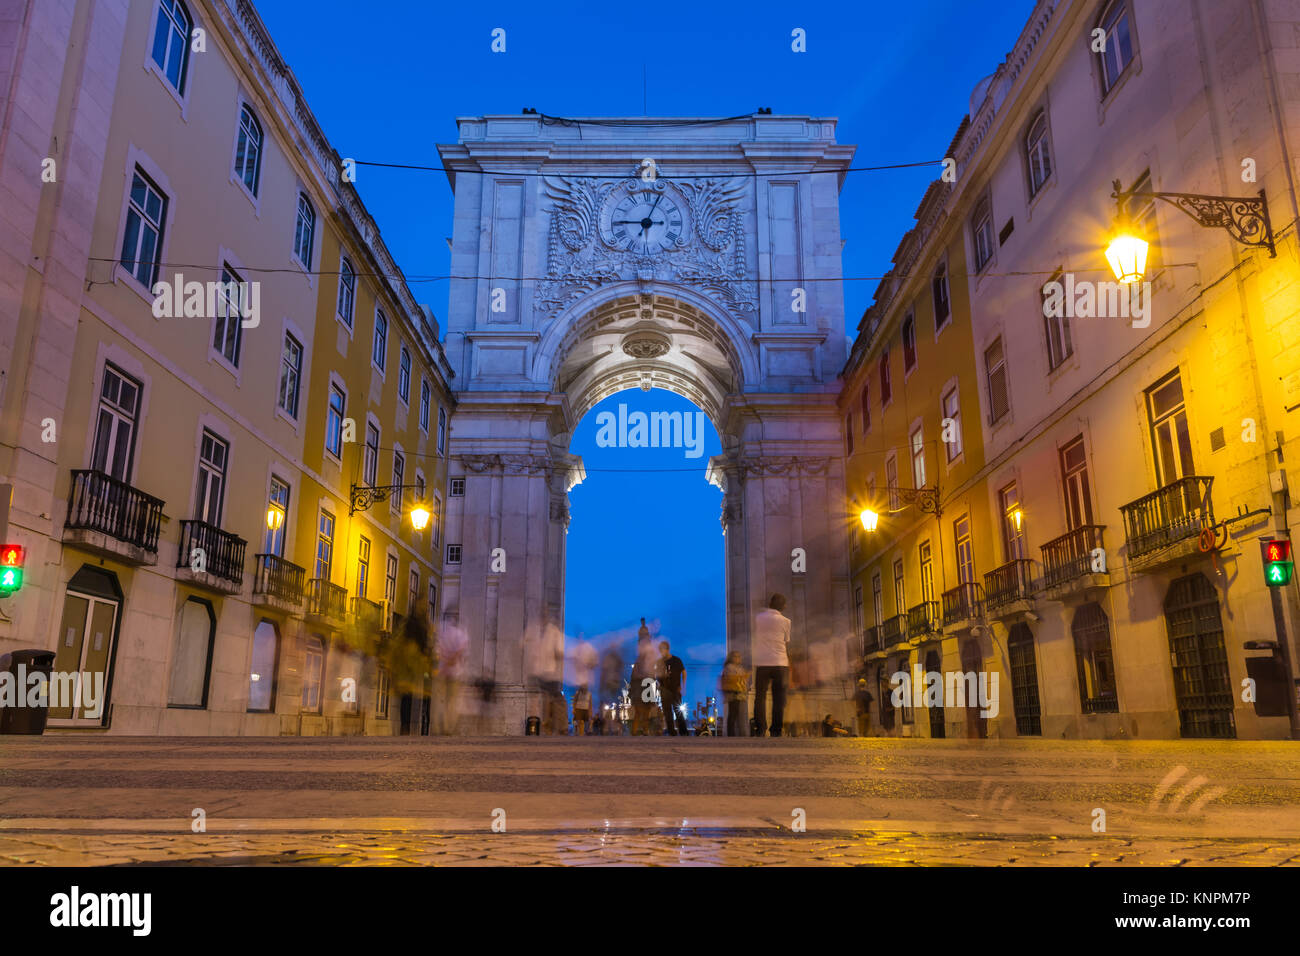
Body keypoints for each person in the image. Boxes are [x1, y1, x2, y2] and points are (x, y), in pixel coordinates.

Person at [752, 593, 791, 737]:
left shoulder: (759, 618)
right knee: (778, 698)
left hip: (762, 662)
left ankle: (760, 728)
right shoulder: (786, 621)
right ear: (783, 606)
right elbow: (786, 641)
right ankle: (776, 729)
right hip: (780, 662)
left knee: (760, 697)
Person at [433, 613, 467, 736]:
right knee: (451, 701)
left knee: (440, 700)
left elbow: (437, 650)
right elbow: (461, 651)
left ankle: (438, 727)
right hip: (454, 672)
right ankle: (448, 728)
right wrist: (452, 660)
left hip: (442, 671)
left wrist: (445, 661)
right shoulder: (460, 634)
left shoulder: (442, 633)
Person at [629, 622, 657, 735]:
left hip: (646, 683)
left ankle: (641, 730)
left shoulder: (646, 658)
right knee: (641, 710)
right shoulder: (641, 659)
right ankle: (638, 730)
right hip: (642, 683)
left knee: (645, 710)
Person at [656, 640, 688, 736]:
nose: (662, 652)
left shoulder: (676, 660)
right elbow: (656, 675)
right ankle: (671, 732)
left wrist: (683, 686)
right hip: (664, 689)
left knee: (678, 711)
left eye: (663, 649)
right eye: (660, 650)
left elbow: (684, 672)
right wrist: (658, 685)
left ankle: (683, 732)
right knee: (667, 713)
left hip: (675, 689)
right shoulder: (659, 662)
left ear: (667, 649)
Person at [720, 651, 748, 737]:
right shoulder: (729, 668)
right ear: (731, 658)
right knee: (733, 714)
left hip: (740, 693)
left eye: (739, 656)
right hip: (733, 693)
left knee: (738, 715)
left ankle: (737, 734)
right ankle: (732, 734)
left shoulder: (740, 668)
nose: (737, 658)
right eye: (735, 656)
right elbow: (733, 679)